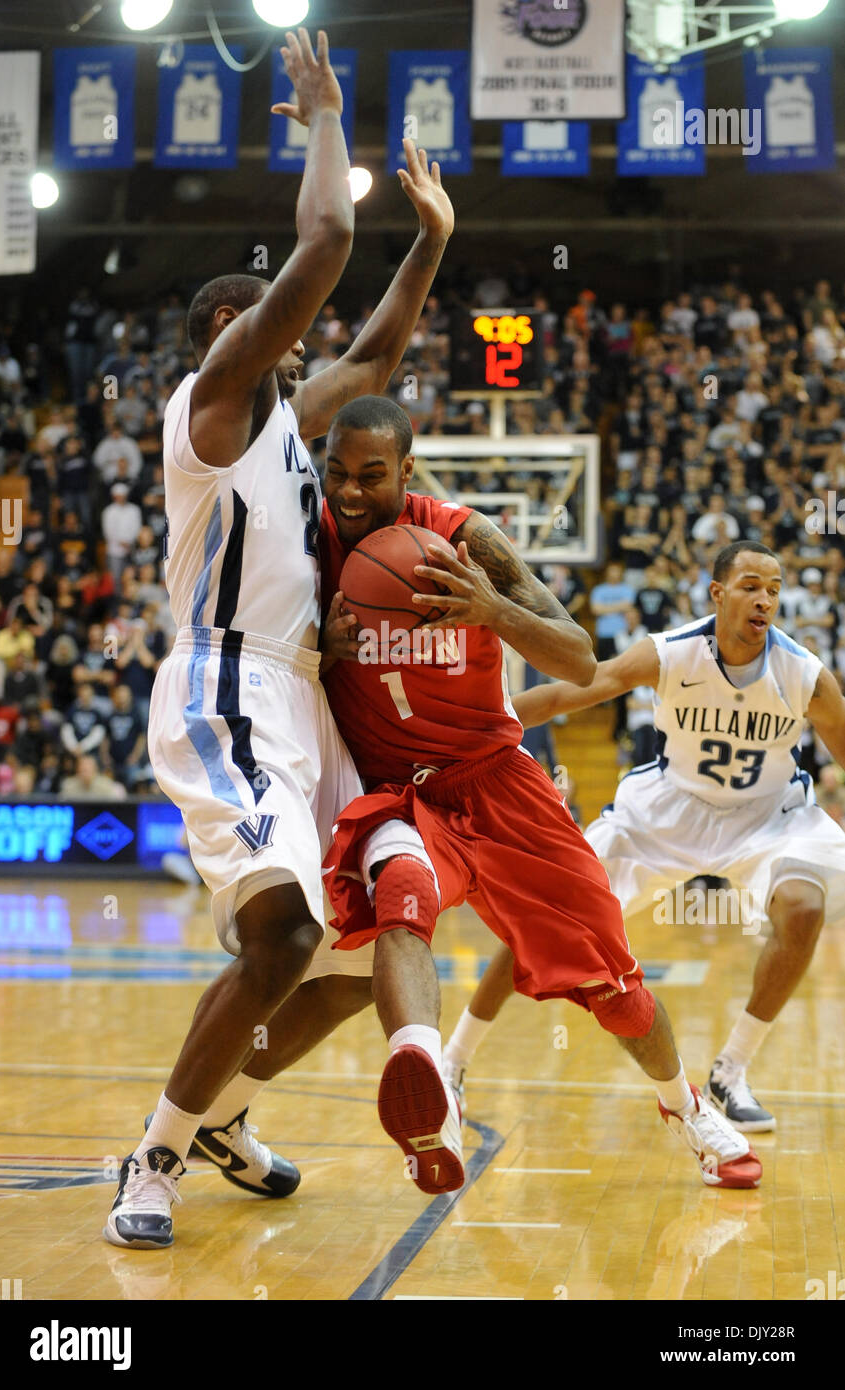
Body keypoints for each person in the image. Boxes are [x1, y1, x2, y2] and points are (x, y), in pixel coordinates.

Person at [184, 401, 760, 1205]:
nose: (349, 491)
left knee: (614, 987)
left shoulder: (463, 537)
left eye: (371, 476)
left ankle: (686, 1107)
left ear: (406, 471)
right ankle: (430, 1099)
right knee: (401, 900)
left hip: (496, 778)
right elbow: (266, 656)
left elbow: (579, 656)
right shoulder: (305, 546)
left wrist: (491, 609)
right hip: (395, 792)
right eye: (338, 473)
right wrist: (322, 647)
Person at [104, 25, 456, 1249]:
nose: (294, 337)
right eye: (268, 326)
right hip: (224, 691)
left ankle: (222, 1114)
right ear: (225, 334)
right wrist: (319, 117)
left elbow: (371, 349)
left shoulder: (285, 437)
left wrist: (432, 241)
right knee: (284, 936)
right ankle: (149, 1158)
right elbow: (322, 246)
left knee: (357, 960)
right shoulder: (208, 411)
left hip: (306, 707)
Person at [444, 543, 845, 1134]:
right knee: (544, 924)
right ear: (717, 593)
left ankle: (730, 1073)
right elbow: (569, 692)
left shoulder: (804, 675)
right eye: (750, 586)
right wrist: (479, 731)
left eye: (774, 589)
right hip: (663, 813)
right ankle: (452, 1062)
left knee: (805, 907)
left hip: (766, 816)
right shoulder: (671, 652)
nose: (764, 599)